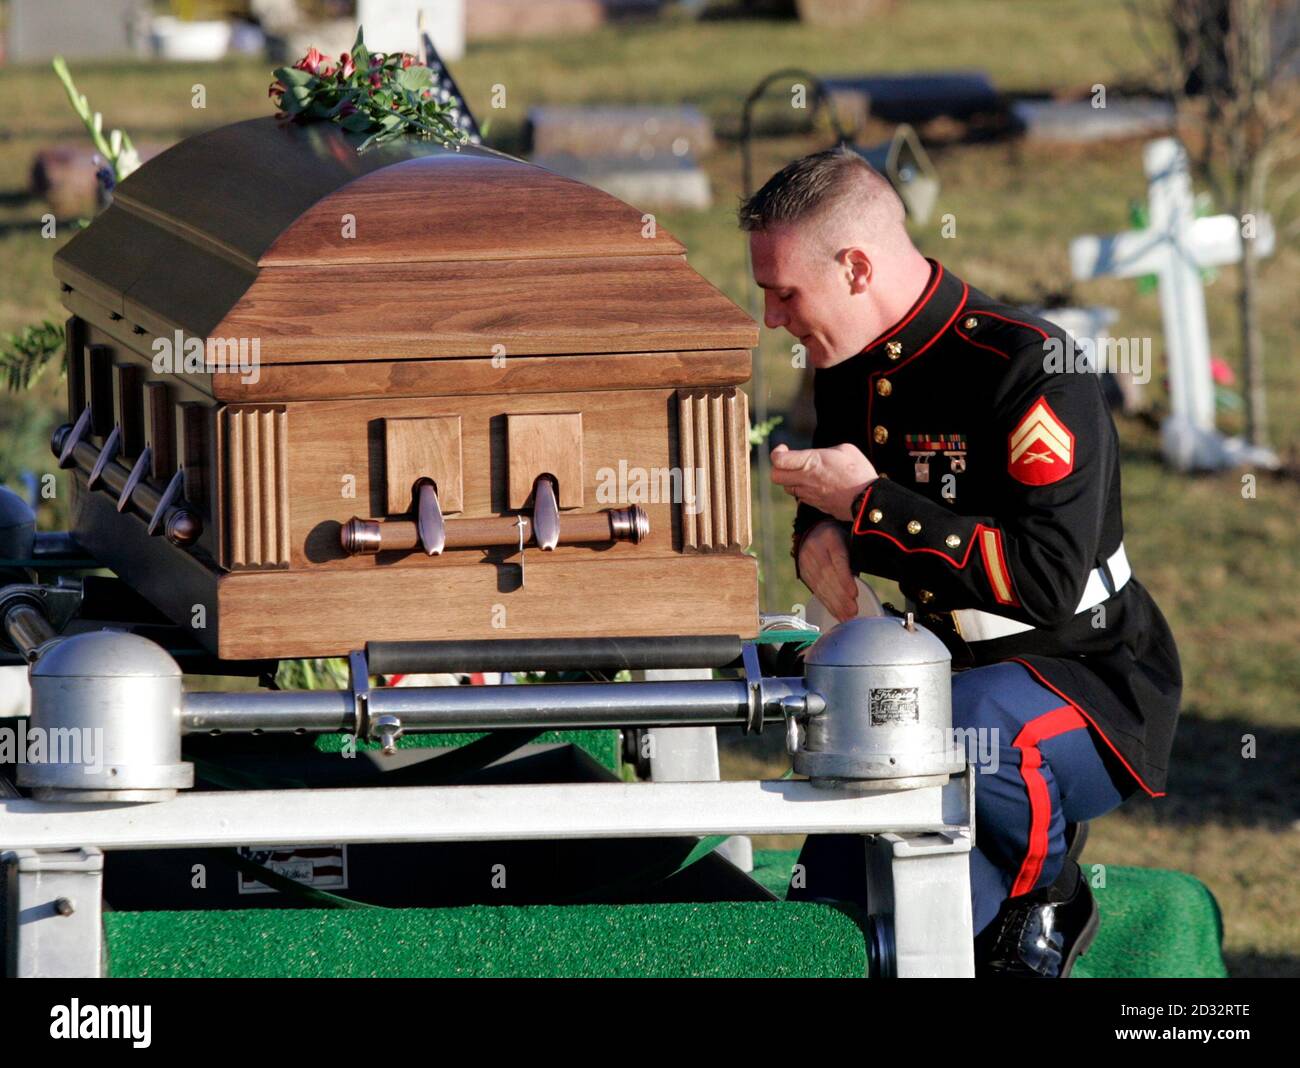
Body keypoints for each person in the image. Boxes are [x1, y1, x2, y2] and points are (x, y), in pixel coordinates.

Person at [739, 146, 1182, 977]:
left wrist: (867, 505)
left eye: (784, 292)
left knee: (951, 733)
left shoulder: (1028, 364)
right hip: (935, 672)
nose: (771, 318)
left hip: (1083, 675)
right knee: (833, 920)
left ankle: (1051, 892)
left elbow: (1045, 581)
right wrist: (820, 535)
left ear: (856, 268)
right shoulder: (847, 364)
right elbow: (838, 494)